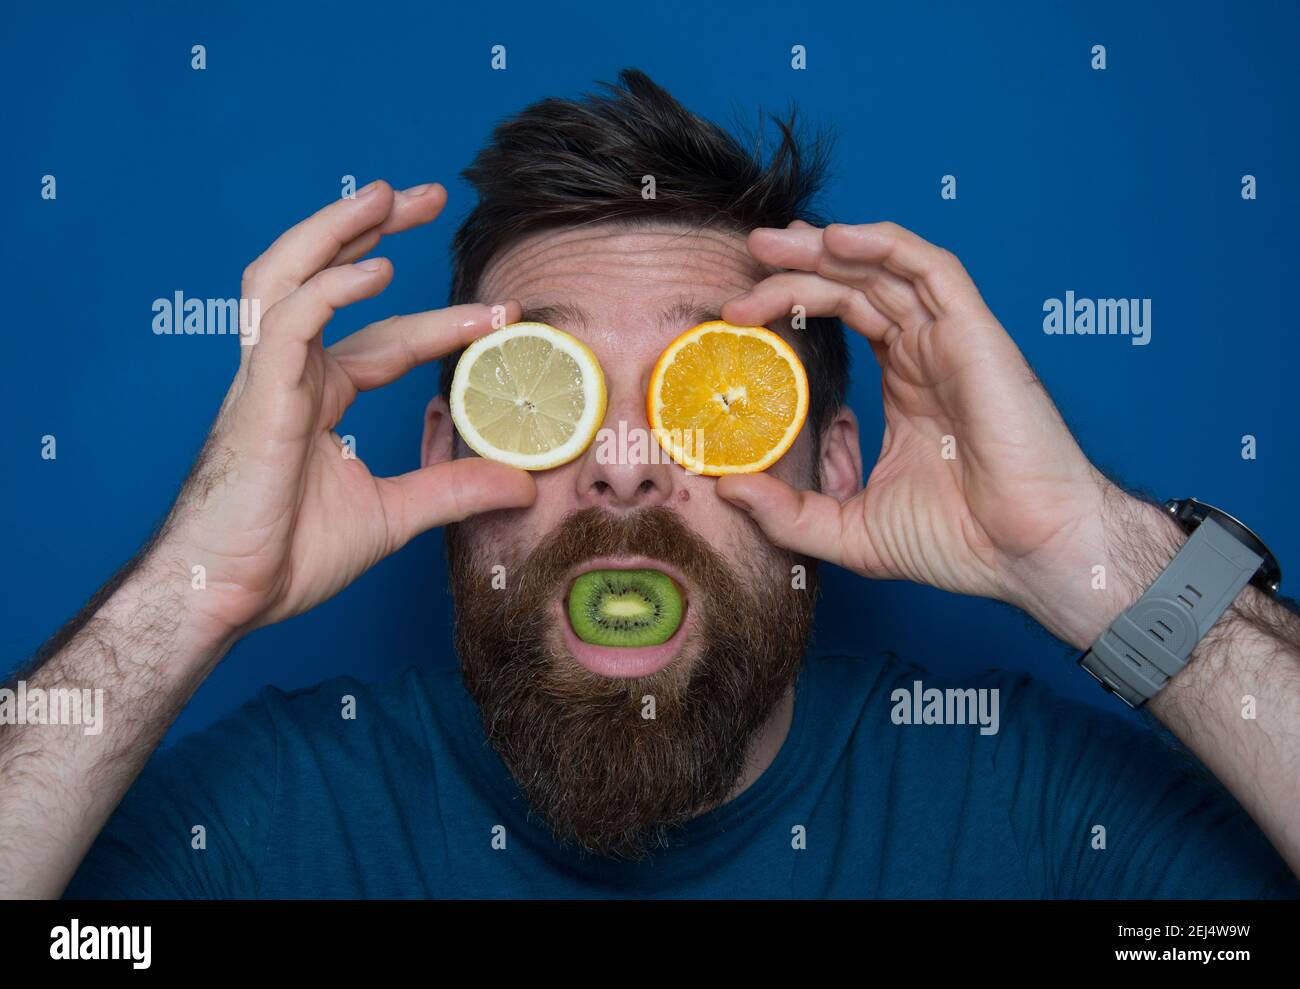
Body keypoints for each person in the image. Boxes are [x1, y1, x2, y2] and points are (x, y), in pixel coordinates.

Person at [3, 69, 1297, 898]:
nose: (624, 461)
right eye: (548, 390)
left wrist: (1095, 556)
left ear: (833, 463)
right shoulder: (268, 823)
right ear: (446, 454)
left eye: (712, 394)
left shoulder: (1027, 808)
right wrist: (189, 595)